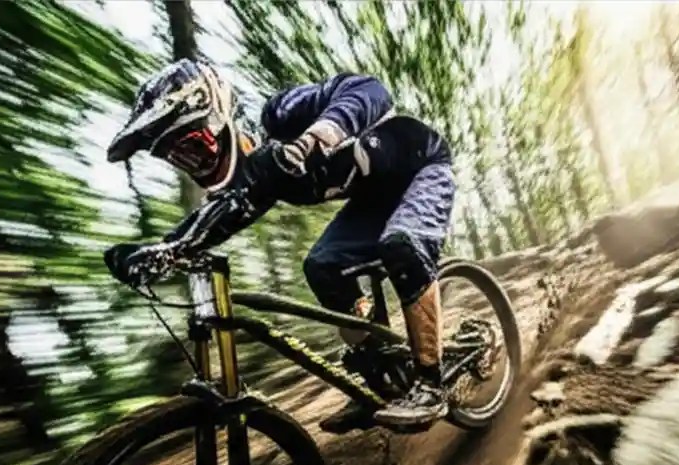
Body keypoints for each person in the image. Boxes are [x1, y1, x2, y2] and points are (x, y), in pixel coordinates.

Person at [103, 58, 455, 432]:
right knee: (322, 266)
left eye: (197, 147)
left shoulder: (281, 115)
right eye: (183, 158)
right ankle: (380, 380)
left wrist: (320, 134)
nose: (198, 164)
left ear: (219, 117)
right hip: (374, 198)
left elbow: (372, 91)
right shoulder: (259, 175)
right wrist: (165, 250)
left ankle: (432, 384)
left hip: (424, 166)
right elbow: (222, 216)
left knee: (401, 245)